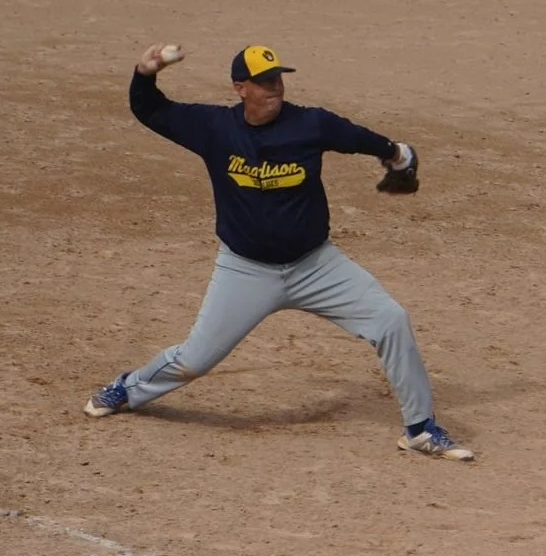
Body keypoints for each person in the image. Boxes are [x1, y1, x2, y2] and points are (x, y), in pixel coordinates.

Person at [83, 43, 474, 462]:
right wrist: (145, 73)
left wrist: (397, 154)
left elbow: (361, 138)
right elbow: (150, 109)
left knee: (391, 321)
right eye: (264, 81)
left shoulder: (311, 124)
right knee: (194, 360)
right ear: (240, 88)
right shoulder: (213, 127)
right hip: (245, 270)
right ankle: (128, 388)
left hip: (315, 266)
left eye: (278, 79)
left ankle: (419, 428)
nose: (276, 88)